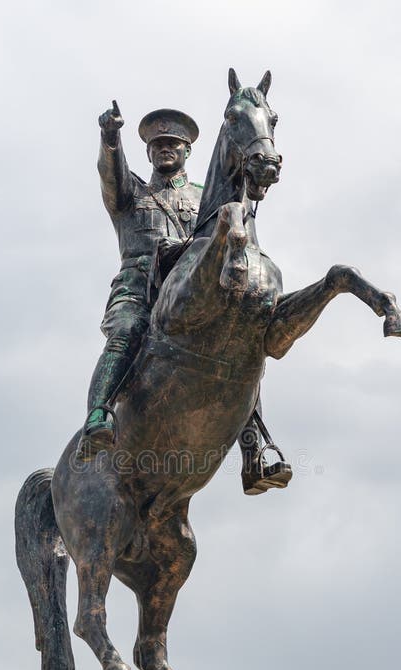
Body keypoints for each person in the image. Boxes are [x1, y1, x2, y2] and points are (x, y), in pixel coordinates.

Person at [77, 101, 292, 495]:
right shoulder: (132, 194)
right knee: (126, 332)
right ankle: (99, 417)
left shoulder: (202, 196)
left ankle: (255, 450)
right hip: (140, 287)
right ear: (148, 152)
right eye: (158, 145)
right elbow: (110, 177)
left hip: (194, 289)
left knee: (242, 345)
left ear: (187, 151)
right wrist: (110, 139)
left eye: (173, 144)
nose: (165, 149)